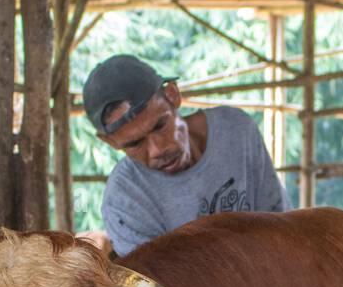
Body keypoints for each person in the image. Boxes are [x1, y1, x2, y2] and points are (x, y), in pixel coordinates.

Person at [82, 54, 288, 256]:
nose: (157, 150)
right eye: (135, 144)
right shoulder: (124, 201)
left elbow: (279, 225)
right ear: (110, 142)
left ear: (173, 95)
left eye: (160, 125)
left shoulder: (236, 131)